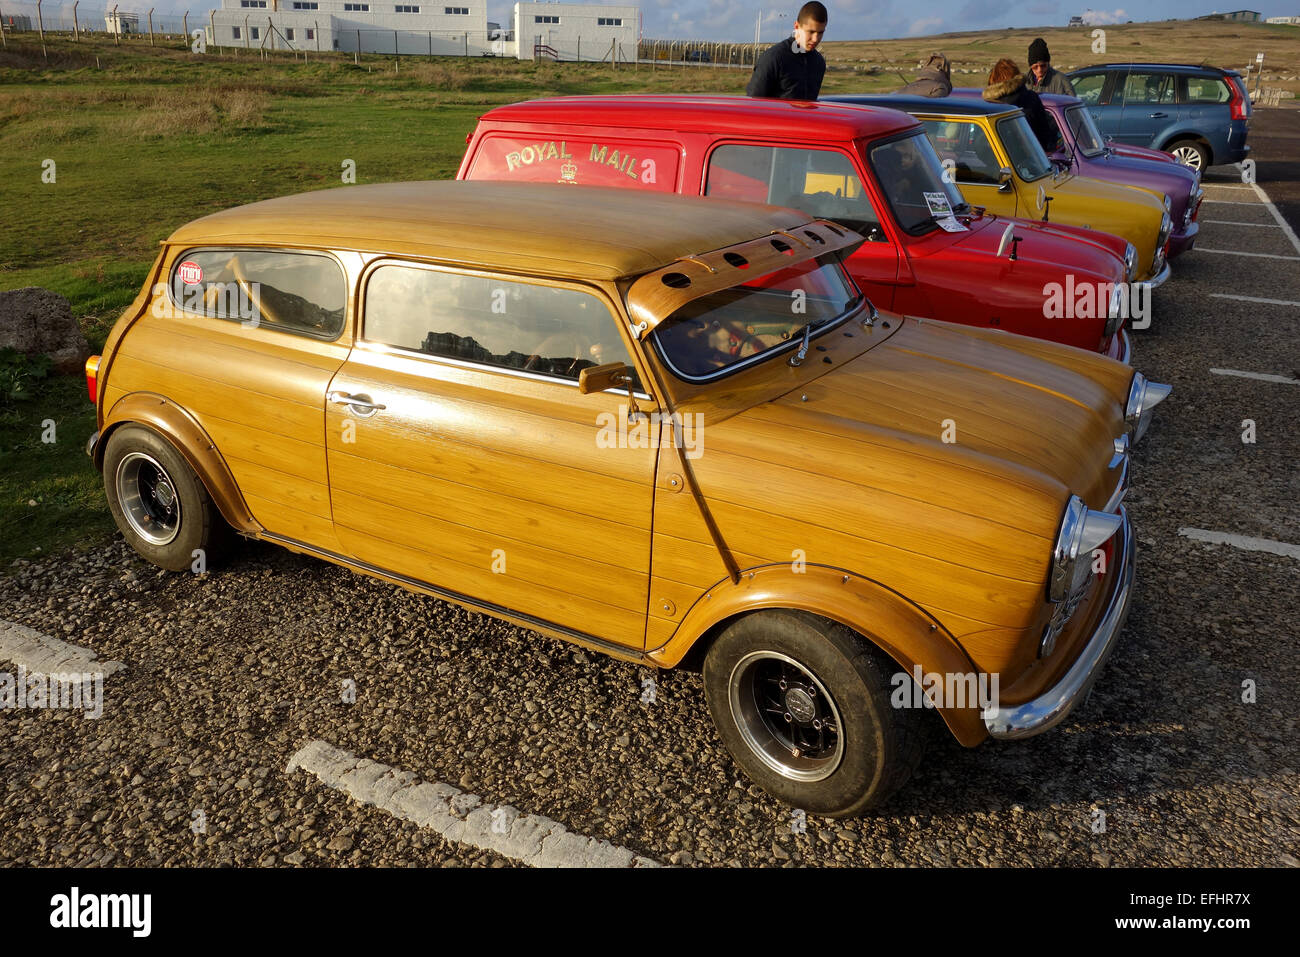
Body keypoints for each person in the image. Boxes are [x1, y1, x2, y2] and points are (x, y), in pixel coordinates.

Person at [746, 2, 828, 100]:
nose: (815, 38)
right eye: (811, 32)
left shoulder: (819, 62)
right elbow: (753, 103)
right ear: (797, 26)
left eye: (820, 32)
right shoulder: (773, 58)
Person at [982, 58, 1060, 153]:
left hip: (995, 161)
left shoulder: (990, 103)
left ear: (993, 80)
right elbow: (1045, 133)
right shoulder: (1031, 99)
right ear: (1017, 77)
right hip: (1032, 158)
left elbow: (981, 144)